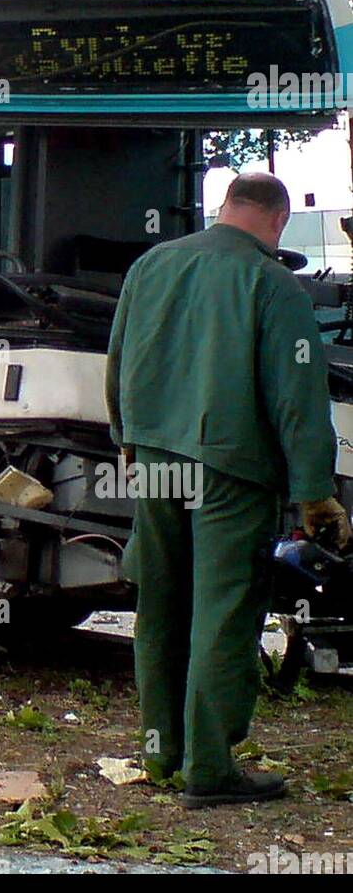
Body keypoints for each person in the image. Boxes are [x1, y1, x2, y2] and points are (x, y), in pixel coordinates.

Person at [106, 172, 349, 807]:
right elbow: (297, 398)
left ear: (224, 209)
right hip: (229, 470)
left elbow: (118, 355)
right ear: (277, 221)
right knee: (224, 612)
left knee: (160, 603)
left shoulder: (152, 265)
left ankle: (162, 752)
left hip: (156, 461)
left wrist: (125, 437)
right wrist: (315, 492)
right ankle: (210, 771)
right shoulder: (273, 283)